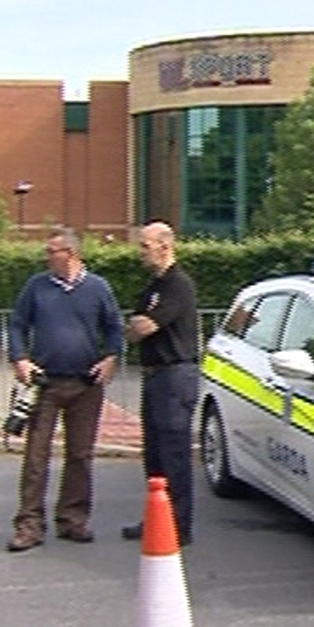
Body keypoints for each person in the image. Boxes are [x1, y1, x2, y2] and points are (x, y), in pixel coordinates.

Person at [5, 226, 125, 552]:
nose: (46, 257)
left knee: (80, 454)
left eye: (51, 251)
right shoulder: (36, 287)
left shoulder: (98, 288)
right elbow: (18, 324)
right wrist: (20, 359)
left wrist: (112, 358)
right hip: (45, 382)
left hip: (86, 383)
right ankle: (29, 525)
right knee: (36, 456)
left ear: (70, 254)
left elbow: (114, 327)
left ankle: (73, 519)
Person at [121, 221, 201, 546]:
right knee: (154, 454)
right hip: (155, 376)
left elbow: (145, 326)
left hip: (175, 376)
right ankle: (157, 517)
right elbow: (134, 324)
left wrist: (139, 325)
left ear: (165, 246)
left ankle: (178, 526)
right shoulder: (152, 287)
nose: (140, 252)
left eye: (145, 246)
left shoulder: (178, 285)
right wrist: (137, 325)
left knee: (173, 453)